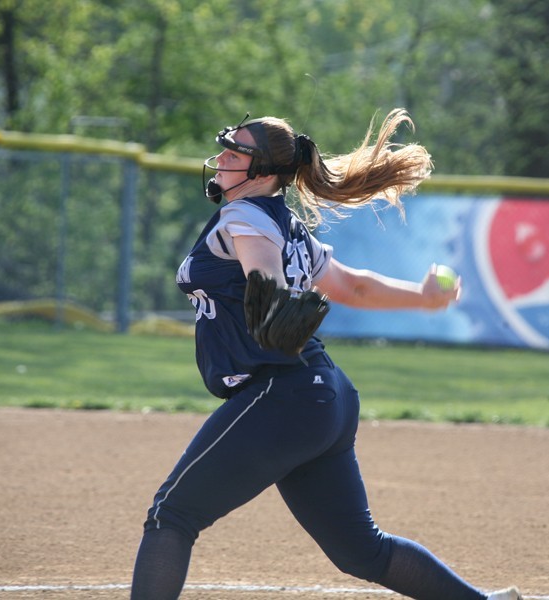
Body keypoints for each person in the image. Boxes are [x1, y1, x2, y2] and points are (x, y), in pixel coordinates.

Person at [130, 109, 523, 600]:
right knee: (363, 551)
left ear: (264, 173)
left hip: (282, 397)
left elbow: (264, 272)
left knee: (173, 514)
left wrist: (268, 291)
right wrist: (421, 297)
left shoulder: (244, 216)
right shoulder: (286, 224)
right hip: (324, 397)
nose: (223, 158)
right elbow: (351, 287)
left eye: (237, 153)